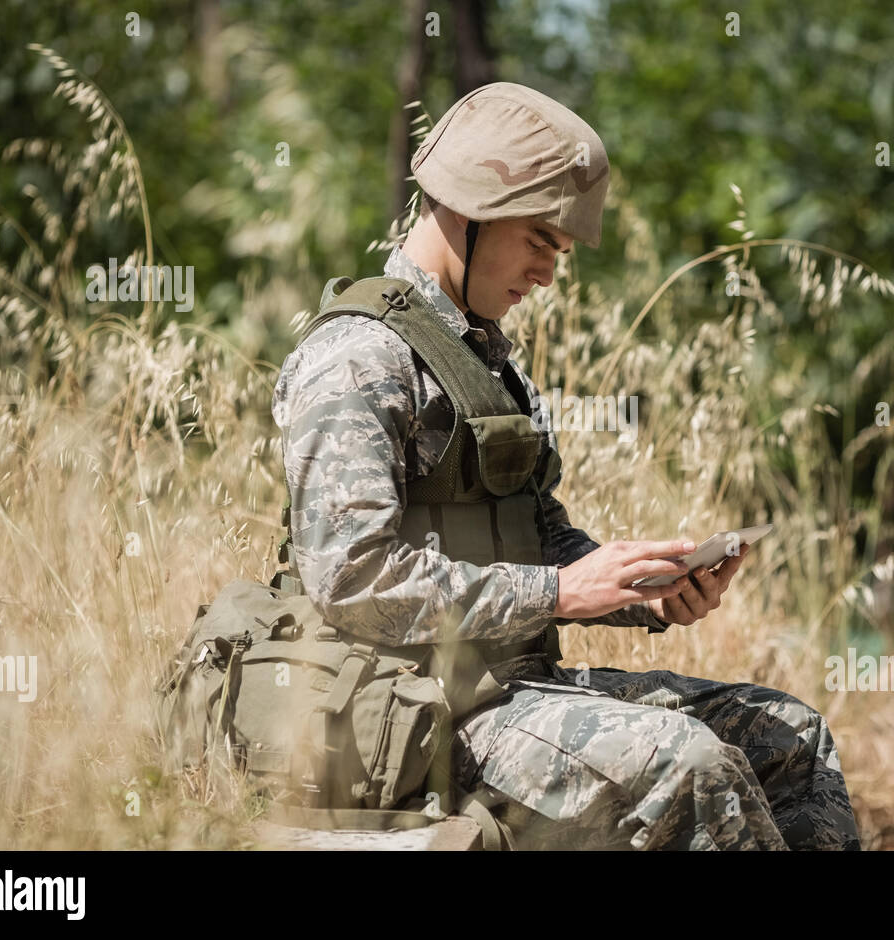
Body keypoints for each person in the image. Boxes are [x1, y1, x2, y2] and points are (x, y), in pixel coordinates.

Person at [272, 82, 860, 850]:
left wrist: (642, 592)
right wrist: (559, 592)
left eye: (562, 251)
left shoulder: (483, 361)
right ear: (468, 209)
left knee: (793, 736)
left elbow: (541, 535)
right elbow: (350, 580)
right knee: (687, 762)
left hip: (512, 690)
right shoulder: (359, 359)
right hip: (415, 712)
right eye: (540, 241)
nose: (549, 274)